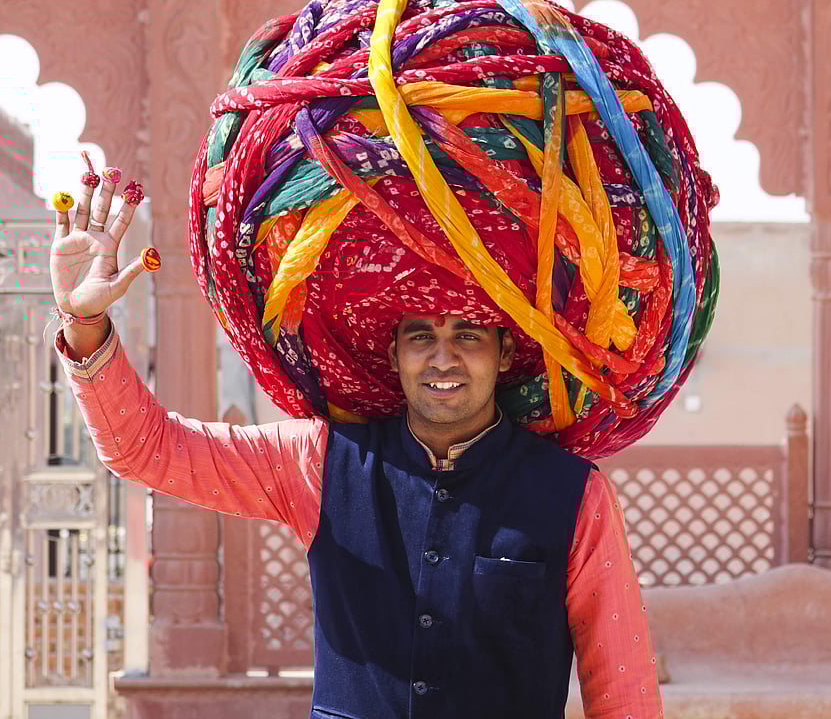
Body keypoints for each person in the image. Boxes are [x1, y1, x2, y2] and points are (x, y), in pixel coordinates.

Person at [48, 168, 664, 718]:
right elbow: (145, 449)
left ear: (504, 352)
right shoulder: (320, 462)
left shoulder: (572, 495)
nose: (442, 358)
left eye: (468, 337)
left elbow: (624, 695)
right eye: (420, 336)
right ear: (393, 353)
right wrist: (85, 324)